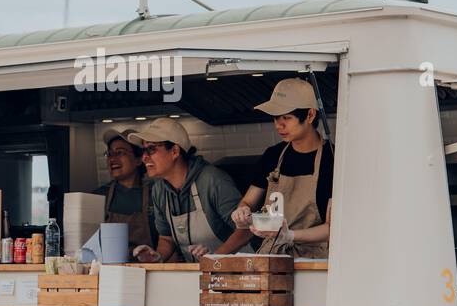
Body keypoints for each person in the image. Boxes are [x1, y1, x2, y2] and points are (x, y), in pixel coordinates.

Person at [231, 78, 332, 257]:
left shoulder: (331, 159)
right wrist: (242, 212)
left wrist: (290, 235)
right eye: (276, 118)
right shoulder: (273, 156)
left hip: (315, 262)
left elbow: (333, 229)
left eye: (287, 118)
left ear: (310, 115)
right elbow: (248, 201)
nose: (279, 125)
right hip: (272, 257)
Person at [127, 118, 252, 264]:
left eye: (151, 149)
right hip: (200, 275)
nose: (144, 157)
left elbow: (245, 230)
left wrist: (215, 259)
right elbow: (167, 237)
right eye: (143, 150)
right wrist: (157, 256)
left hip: (241, 271)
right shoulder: (159, 190)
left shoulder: (212, 180)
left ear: (174, 151)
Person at [94, 129, 156, 257]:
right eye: (109, 154)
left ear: (139, 159)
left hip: (150, 268)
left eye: (120, 153)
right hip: (110, 270)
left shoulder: (156, 194)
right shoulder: (99, 196)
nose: (112, 159)